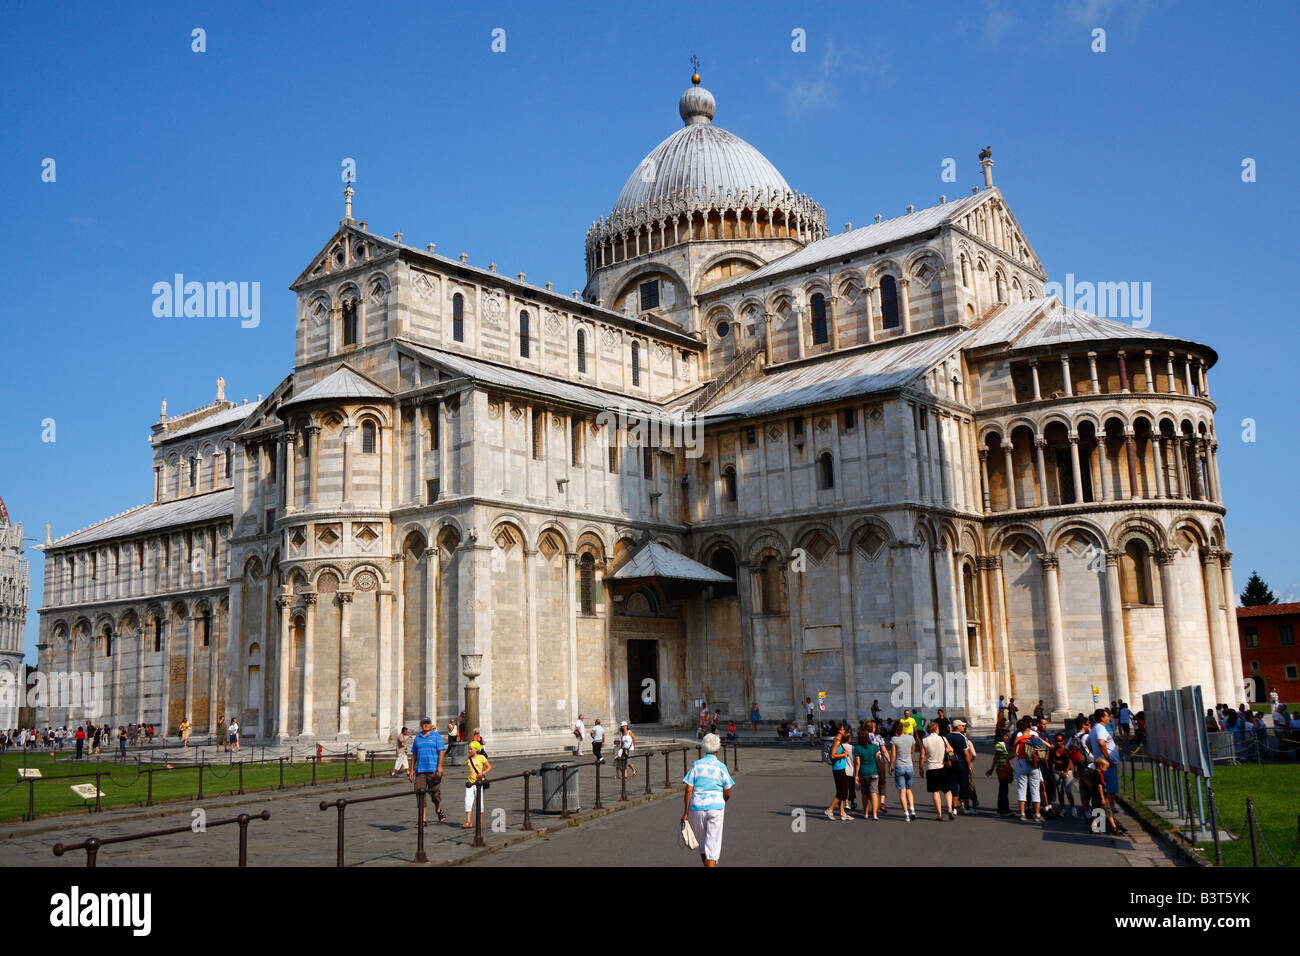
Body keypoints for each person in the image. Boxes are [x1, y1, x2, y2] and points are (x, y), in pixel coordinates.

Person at [681, 732, 735, 867]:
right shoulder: (721, 767)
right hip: (716, 807)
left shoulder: (696, 765)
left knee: (702, 843)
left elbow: (688, 789)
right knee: (713, 845)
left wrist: (686, 812)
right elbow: (728, 790)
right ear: (718, 748)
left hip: (697, 807)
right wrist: (723, 799)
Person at [408, 717, 447, 825]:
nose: (426, 724)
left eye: (428, 723)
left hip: (433, 769)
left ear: (430, 724)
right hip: (420, 770)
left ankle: (438, 809)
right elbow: (414, 755)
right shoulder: (418, 738)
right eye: (424, 723)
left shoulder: (436, 736)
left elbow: (441, 751)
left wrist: (440, 767)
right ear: (421, 725)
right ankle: (422, 819)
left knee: (435, 794)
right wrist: (411, 770)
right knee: (420, 793)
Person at [1013, 718, 1046, 821]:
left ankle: (1022, 814)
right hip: (1034, 764)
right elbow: (1045, 746)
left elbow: (1015, 751)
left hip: (1022, 763)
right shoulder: (1035, 735)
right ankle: (1037, 814)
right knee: (1035, 789)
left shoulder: (1019, 736)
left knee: (1021, 789)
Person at [920, 722, 955, 821]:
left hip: (931, 768)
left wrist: (920, 768)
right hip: (942, 766)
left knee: (935, 791)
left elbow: (922, 756)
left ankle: (939, 814)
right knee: (947, 790)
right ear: (936, 729)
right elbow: (951, 750)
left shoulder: (925, 740)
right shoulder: (943, 739)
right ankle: (949, 809)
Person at [888, 720, 917, 821]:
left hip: (899, 766)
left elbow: (893, 754)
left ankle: (906, 814)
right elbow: (913, 750)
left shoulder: (894, 739)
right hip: (909, 765)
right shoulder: (910, 738)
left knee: (902, 791)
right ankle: (912, 809)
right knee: (909, 789)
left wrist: (890, 765)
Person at [855, 725, 884, 820]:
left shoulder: (858, 748)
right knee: (874, 792)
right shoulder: (874, 747)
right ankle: (875, 814)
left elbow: (858, 763)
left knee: (864, 793)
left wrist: (856, 775)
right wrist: (880, 770)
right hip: (874, 772)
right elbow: (877, 759)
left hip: (863, 773)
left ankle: (866, 813)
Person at [946, 719, 974, 813]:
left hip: (950, 764)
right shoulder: (962, 737)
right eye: (962, 725)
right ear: (957, 726)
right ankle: (966, 807)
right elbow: (966, 754)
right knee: (964, 785)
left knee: (953, 785)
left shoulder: (947, 737)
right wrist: (969, 765)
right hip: (961, 763)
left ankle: (954, 807)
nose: (963, 727)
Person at [825, 725, 852, 821]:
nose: (844, 730)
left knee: (841, 791)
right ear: (839, 731)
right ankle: (830, 809)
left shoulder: (838, 740)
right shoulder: (837, 741)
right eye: (843, 729)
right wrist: (844, 754)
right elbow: (833, 755)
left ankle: (842, 812)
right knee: (843, 792)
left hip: (839, 767)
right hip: (838, 768)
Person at [463, 741, 491, 828]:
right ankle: (468, 821)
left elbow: (489, 767)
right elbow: (465, 763)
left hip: (479, 783)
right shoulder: (469, 759)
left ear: (477, 749)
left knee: (480, 802)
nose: (470, 750)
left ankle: (480, 821)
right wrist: (468, 756)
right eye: (469, 749)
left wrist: (483, 773)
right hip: (470, 783)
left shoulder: (481, 757)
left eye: (471, 748)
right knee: (467, 801)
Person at [986, 728, 1013, 815]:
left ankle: (1003, 808)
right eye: (1005, 736)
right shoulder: (999, 746)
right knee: (1003, 790)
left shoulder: (1002, 745)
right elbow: (996, 758)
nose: (1007, 737)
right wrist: (991, 769)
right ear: (1001, 737)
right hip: (1001, 768)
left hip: (1003, 767)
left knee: (1003, 789)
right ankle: (1003, 809)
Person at [1049, 733, 1077, 817]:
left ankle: (1073, 808)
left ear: (1064, 741)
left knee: (1068, 791)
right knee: (1060, 792)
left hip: (1067, 772)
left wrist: (1066, 771)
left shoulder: (1066, 750)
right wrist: (1054, 761)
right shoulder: (1054, 749)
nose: (1058, 742)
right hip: (1057, 771)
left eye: (1060, 740)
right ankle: (1062, 809)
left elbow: (1070, 760)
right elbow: (1050, 759)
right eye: (1057, 740)